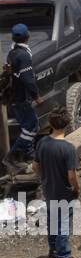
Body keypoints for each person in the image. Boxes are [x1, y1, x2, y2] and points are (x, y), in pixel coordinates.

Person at [33, 109, 81, 258]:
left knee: (52, 220)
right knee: (63, 225)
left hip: (49, 190)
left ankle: (53, 249)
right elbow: (71, 175)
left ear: (51, 124)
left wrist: (45, 178)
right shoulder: (68, 148)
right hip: (64, 194)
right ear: (67, 126)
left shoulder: (42, 143)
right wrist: (76, 189)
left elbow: (35, 167)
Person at [2, 23, 38, 173]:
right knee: (32, 127)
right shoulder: (23, 56)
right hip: (22, 97)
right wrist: (37, 96)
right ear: (28, 36)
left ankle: (29, 156)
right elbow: (28, 79)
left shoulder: (12, 52)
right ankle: (12, 156)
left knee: (26, 127)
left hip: (15, 97)